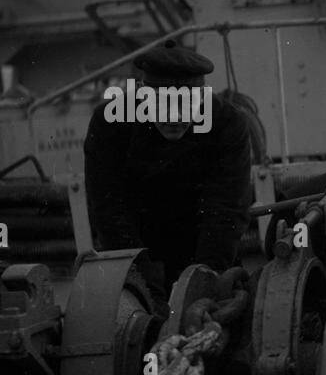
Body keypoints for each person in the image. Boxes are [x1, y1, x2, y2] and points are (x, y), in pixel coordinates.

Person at [84, 42, 252, 300]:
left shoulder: (228, 123)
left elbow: (227, 209)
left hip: (203, 239)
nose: (174, 118)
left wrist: (206, 281)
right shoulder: (110, 123)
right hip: (137, 239)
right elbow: (108, 208)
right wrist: (140, 282)